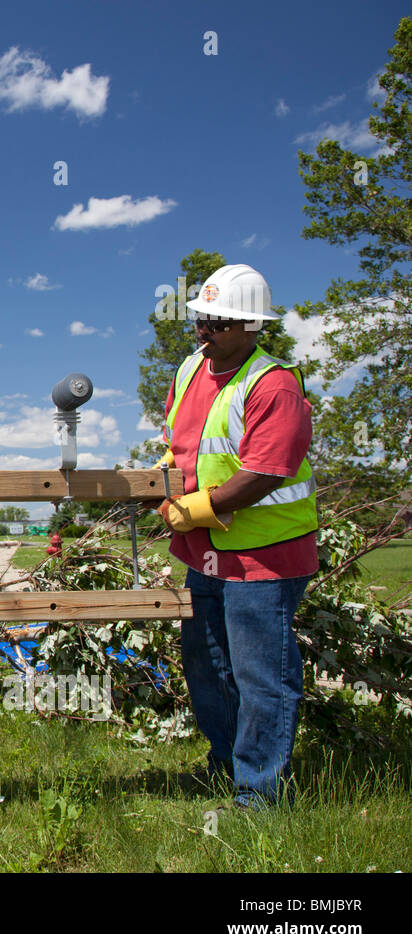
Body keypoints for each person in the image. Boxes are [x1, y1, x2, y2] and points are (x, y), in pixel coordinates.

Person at [156, 264, 317, 810]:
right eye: (201, 319)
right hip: (204, 555)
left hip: (264, 558)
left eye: (220, 323)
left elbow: (266, 472)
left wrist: (197, 508)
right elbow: (177, 440)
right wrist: (163, 474)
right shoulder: (189, 370)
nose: (206, 331)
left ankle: (259, 795)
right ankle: (225, 766)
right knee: (207, 667)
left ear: (252, 327)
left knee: (260, 677)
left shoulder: (274, 385)